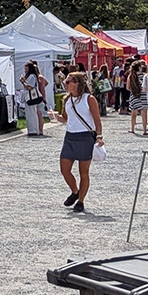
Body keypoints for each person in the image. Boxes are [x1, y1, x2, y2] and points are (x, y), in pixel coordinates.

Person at [52, 71, 104, 214]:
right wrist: (57, 117)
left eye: (69, 81)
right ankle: (75, 191)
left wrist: (99, 136)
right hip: (70, 137)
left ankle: (81, 201)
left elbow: (97, 120)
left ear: (78, 84)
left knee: (83, 172)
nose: (66, 83)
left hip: (85, 137)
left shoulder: (89, 99)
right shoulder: (66, 99)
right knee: (64, 169)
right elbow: (66, 119)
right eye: (66, 81)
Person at [20, 61, 45, 136]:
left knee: (31, 114)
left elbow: (29, 87)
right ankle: (34, 129)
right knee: (32, 113)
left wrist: (22, 82)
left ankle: (33, 130)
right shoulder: (33, 76)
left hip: (31, 97)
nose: (25, 71)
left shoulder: (31, 76)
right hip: (31, 97)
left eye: (26, 69)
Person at [127, 60, 148, 135]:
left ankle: (132, 128)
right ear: (139, 67)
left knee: (134, 112)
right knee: (144, 112)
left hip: (134, 95)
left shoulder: (131, 76)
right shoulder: (145, 75)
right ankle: (145, 130)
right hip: (144, 95)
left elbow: (128, 87)